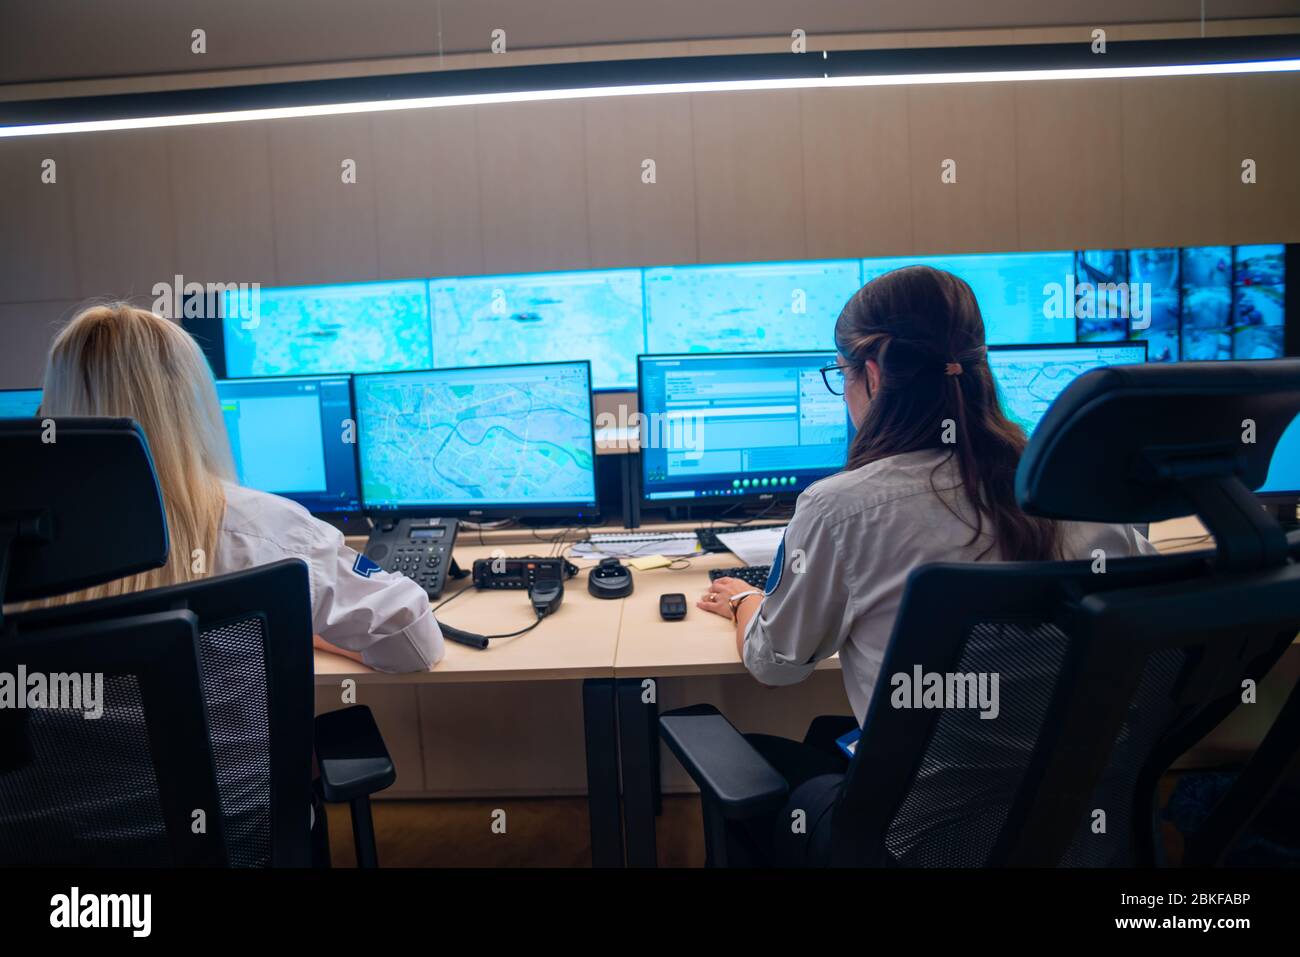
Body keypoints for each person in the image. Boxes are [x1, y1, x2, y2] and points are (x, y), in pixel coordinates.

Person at [697, 266, 1156, 862]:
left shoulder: (842, 509)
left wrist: (744, 602)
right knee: (823, 737)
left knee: (765, 768)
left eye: (842, 378)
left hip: (915, 840)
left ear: (873, 373)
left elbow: (776, 664)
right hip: (1071, 829)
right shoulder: (1079, 487)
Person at [37, 302, 443, 672]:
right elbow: (414, 642)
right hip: (221, 758)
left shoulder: (21, 545)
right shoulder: (268, 533)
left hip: (60, 757)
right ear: (192, 402)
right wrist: (311, 630)